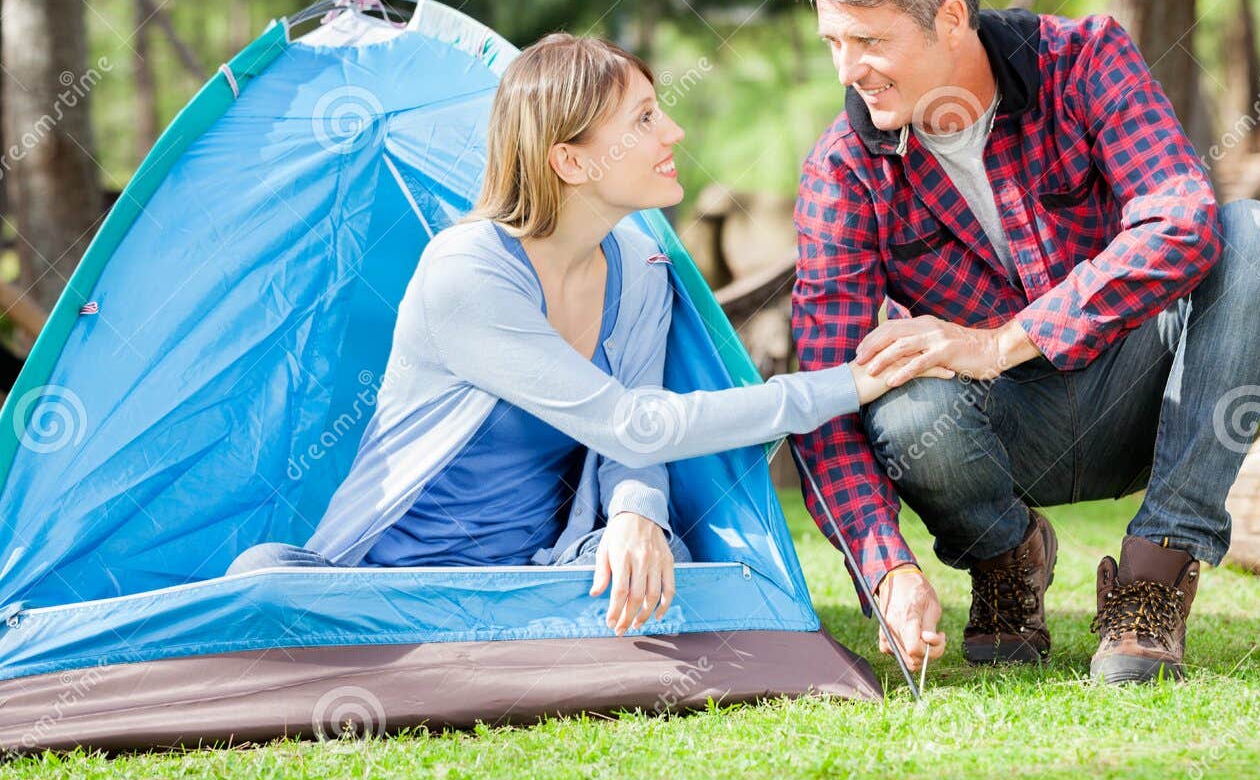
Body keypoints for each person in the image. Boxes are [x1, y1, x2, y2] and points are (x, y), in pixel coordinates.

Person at [227, 33, 946, 636]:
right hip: (394, 586)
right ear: (569, 161)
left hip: (541, 577)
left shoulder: (637, 265)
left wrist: (637, 515)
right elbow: (638, 422)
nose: (672, 133)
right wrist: (848, 384)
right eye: (642, 120)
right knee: (258, 583)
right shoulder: (467, 273)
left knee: (666, 568)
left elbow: (629, 440)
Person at [785, 0, 1260, 684]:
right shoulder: (843, 172)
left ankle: (1153, 573)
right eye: (832, 43)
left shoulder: (1086, 59)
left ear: (952, 18)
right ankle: (1006, 561)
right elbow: (822, 392)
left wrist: (1001, 342)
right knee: (900, 391)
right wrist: (884, 566)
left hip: (1143, 399)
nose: (848, 69)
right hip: (999, 436)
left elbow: (1181, 218)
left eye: (871, 41)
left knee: (1255, 233)